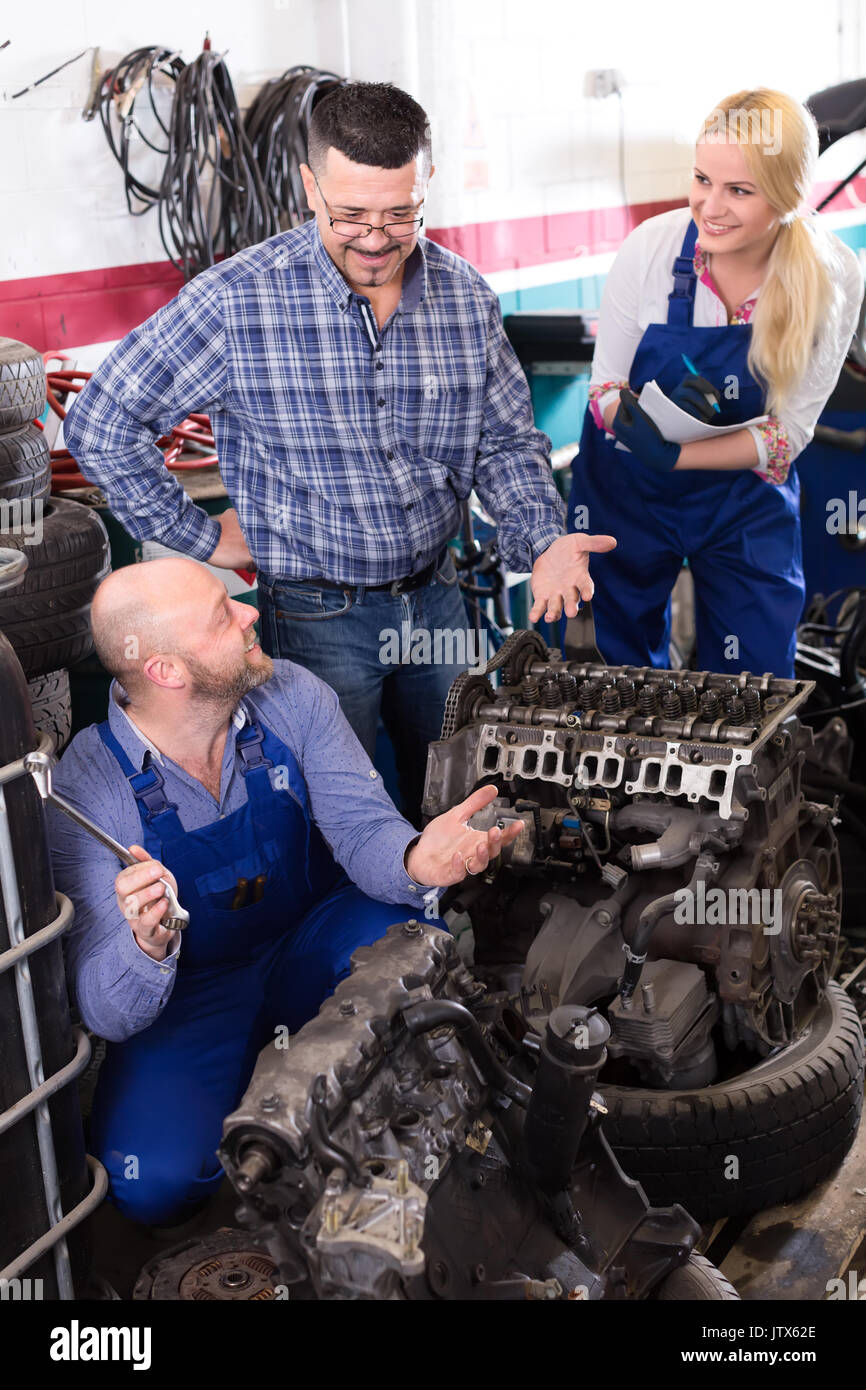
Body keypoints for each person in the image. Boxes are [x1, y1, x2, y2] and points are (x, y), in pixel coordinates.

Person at [62, 81, 614, 822]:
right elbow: (101, 419)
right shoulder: (239, 300)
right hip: (318, 620)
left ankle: (461, 934)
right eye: (351, 213)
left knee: (465, 798)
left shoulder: (463, 296)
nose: (377, 237)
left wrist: (543, 539)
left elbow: (505, 443)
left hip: (438, 601)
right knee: (337, 820)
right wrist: (199, 536)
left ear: (427, 185)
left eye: (400, 213)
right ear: (308, 186)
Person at [47, 558, 521, 1227]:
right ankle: (264, 1078)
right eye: (223, 613)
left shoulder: (291, 696)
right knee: (154, 1185)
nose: (250, 613)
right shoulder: (88, 788)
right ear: (166, 671)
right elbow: (104, 1011)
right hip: (193, 989)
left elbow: (362, 829)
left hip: (314, 936)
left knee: (418, 952)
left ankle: (411, 1140)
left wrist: (419, 858)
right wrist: (144, 943)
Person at [570, 87, 863, 678]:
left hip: (742, 498)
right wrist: (631, 424)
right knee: (611, 673)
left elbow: (788, 436)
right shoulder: (650, 250)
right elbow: (605, 390)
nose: (710, 206)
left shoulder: (832, 278)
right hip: (627, 491)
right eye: (703, 179)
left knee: (755, 681)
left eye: (739, 190)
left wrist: (677, 453)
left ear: (788, 197)